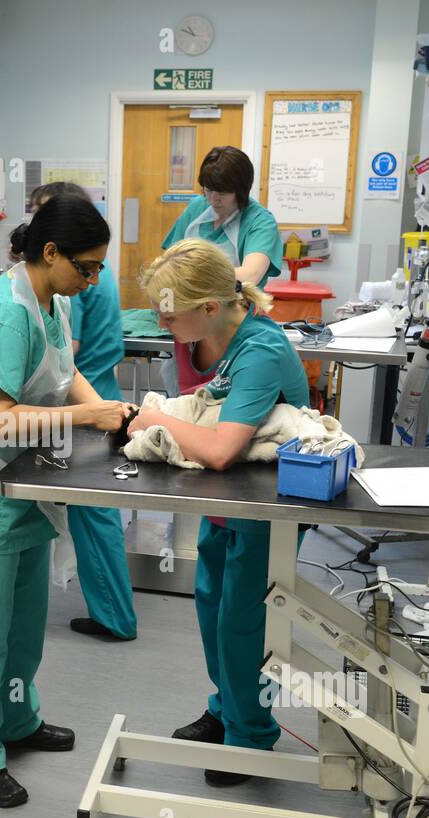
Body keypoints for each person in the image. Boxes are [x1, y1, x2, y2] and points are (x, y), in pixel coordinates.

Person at [0, 194, 133, 807]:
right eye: (88, 266)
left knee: (24, 631)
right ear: (49, 253)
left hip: (26, 483)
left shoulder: (52, 299)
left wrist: (108, 414)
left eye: (100, 268)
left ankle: (18, 721)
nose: (93, 278)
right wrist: (85, 415)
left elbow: (62, 369)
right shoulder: (5, 314)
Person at [131, 238, 308, 785]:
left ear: (210, 308)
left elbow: (221, 447)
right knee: (209, 602)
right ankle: (225, 707)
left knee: (242, 620)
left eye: (170, 314)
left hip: (269, 500)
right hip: (222, 496)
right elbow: (200, 420)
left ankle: (251, 736)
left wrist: (150, 417)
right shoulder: (192, 337)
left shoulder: (261, 349)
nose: (163, 325)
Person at [25, 182, 136, 642]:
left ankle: (114, 616)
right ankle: (114, 610)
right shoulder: (96, 270)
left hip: (84, 396)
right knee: (97, 508)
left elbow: (64, 354)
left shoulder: (76, 280)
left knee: (93, 511)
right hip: (96, 389)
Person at [161, 145, 285, 396]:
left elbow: (250, 275)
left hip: (233, 328)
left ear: (241, 191)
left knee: (226, 402)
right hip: (191, 323)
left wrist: (191, 276)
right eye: (209, 190)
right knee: (186, 401)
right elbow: (167, 264)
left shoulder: (259, 220)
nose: (213, 199)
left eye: (222, 193)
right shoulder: (197, 207)